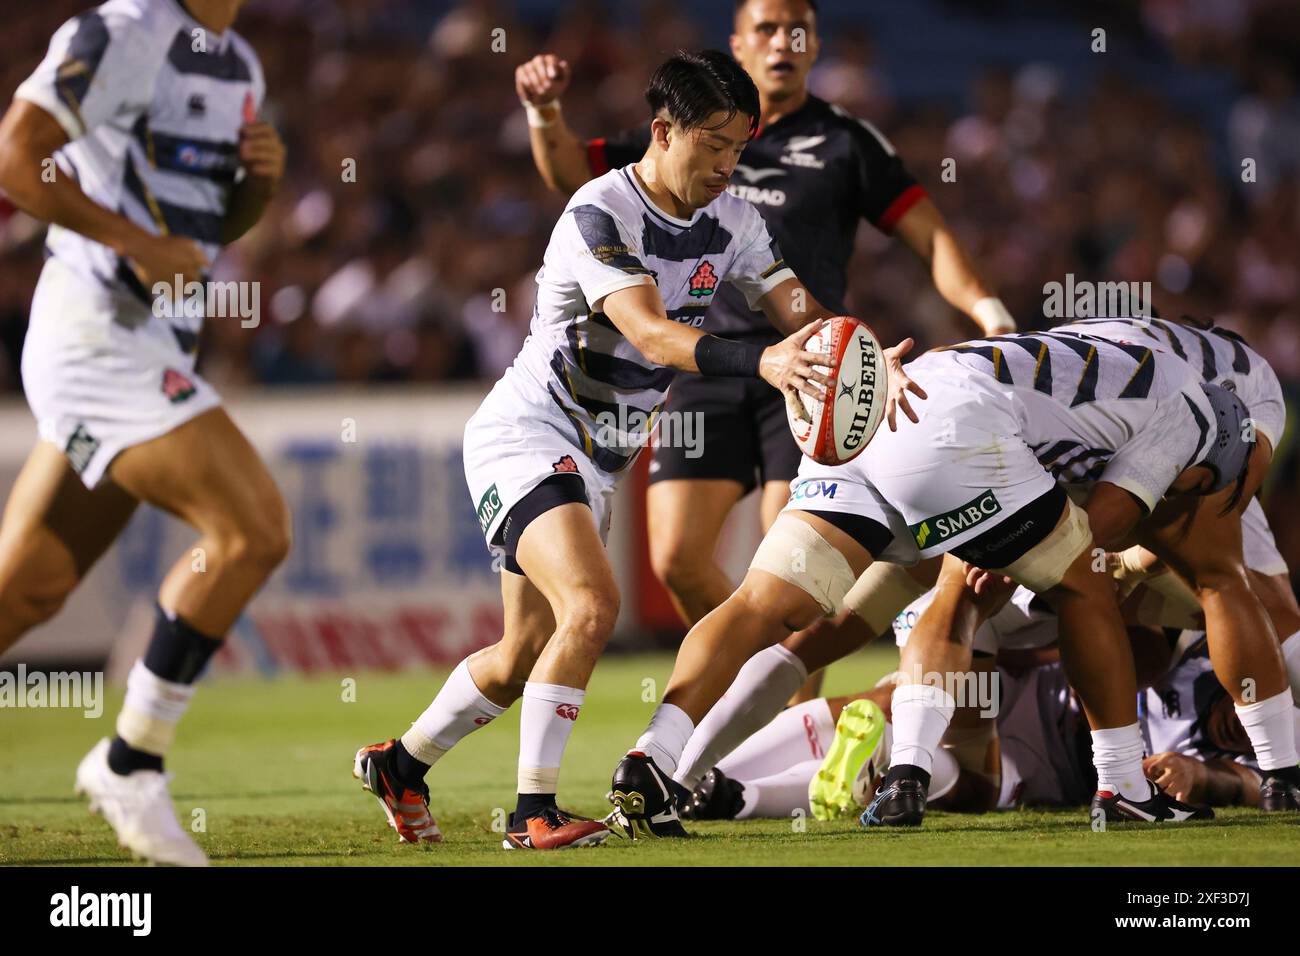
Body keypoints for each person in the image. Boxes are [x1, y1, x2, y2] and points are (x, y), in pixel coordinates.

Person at [352, 50, 919, 851]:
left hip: (598, 458)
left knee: (519, 657)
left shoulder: (736, 220)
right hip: (529, 434)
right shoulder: (599, 213)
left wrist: (851, 353)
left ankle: (400, 766)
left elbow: (796, 305)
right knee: (592, 606)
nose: (729, 167)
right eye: (714, 147)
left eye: (740, 148)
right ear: (663, 131)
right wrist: (761, 359)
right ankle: (533, 814)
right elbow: (651, 331)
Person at [515, 0, 1013, 701]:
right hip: (699, 364)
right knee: (679, 561)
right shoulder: (682, 130)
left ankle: (788, 720)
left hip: (802, 370)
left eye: (799, 31)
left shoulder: (846, 142)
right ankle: (760, 690)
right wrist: (544, 113)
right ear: (738, 45)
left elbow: (930, 237)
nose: (785, 42)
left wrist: (987, 313)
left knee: (790, 574)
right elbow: (571, 174)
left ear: (814, 48)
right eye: (769, 29)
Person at [607, 327, 1243, 837]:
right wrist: (1088, 560)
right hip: (957, 437)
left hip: (881, 401)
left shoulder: (1114, 350)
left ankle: (658, 763)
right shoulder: (1190, 417)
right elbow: (1104, 524)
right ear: (1208, 467)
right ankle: (1124, 787)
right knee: (1083, 584)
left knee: (766, 606)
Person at [0, 0, 288, 866]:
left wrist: (257, 190)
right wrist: (130, 239)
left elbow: (199, 234)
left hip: (152, 338)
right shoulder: (126, 29)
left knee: (29, 589)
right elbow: (17, 153)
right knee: (252, 529)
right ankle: (130, 761)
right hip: (97, 330)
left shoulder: (236, 59)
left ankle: (129, 763)